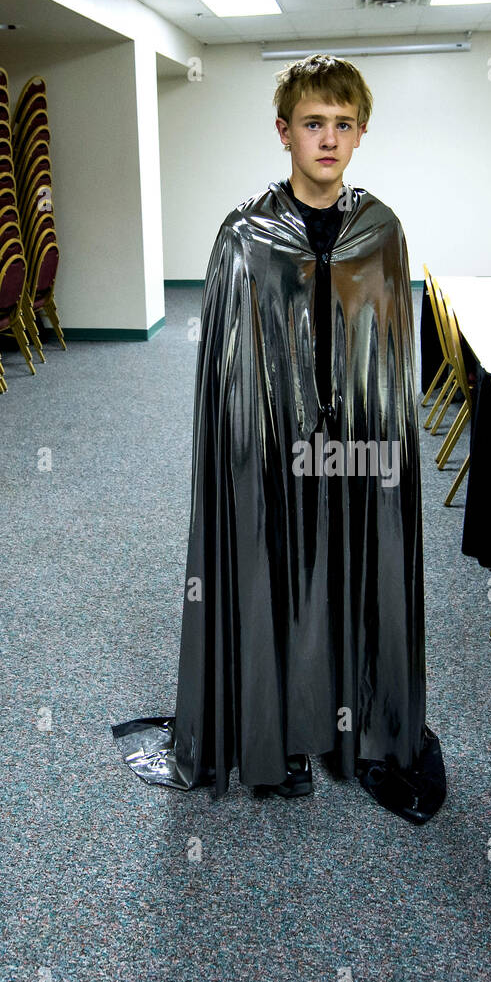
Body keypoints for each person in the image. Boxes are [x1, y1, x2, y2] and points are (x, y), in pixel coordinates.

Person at [117, 54, 444, 823]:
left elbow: (391, 366)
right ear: (284, 132)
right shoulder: (246, 235)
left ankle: (358, 721)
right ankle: (275, 733)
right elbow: (230, 373)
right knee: (280, 574)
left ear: (361, 132)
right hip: (272, 445)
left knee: (353, 568)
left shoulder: (381, 232)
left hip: (359, 448)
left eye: (341, 124)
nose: (326, 139)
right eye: (311, 124)